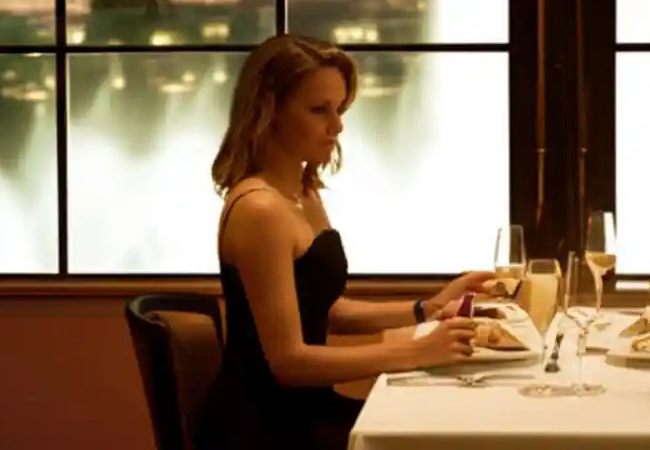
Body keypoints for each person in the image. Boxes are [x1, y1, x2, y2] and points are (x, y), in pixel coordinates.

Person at [195, 34, 495, 450]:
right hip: (265, 429)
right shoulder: (260, 210)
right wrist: (417, 351)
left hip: (307, 411)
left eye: (340, 109)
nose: (337, 126)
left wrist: (426, 308)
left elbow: (326, 309)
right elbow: (289, 361)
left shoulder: (302, 192)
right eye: (319, 110)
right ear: (268, 110)